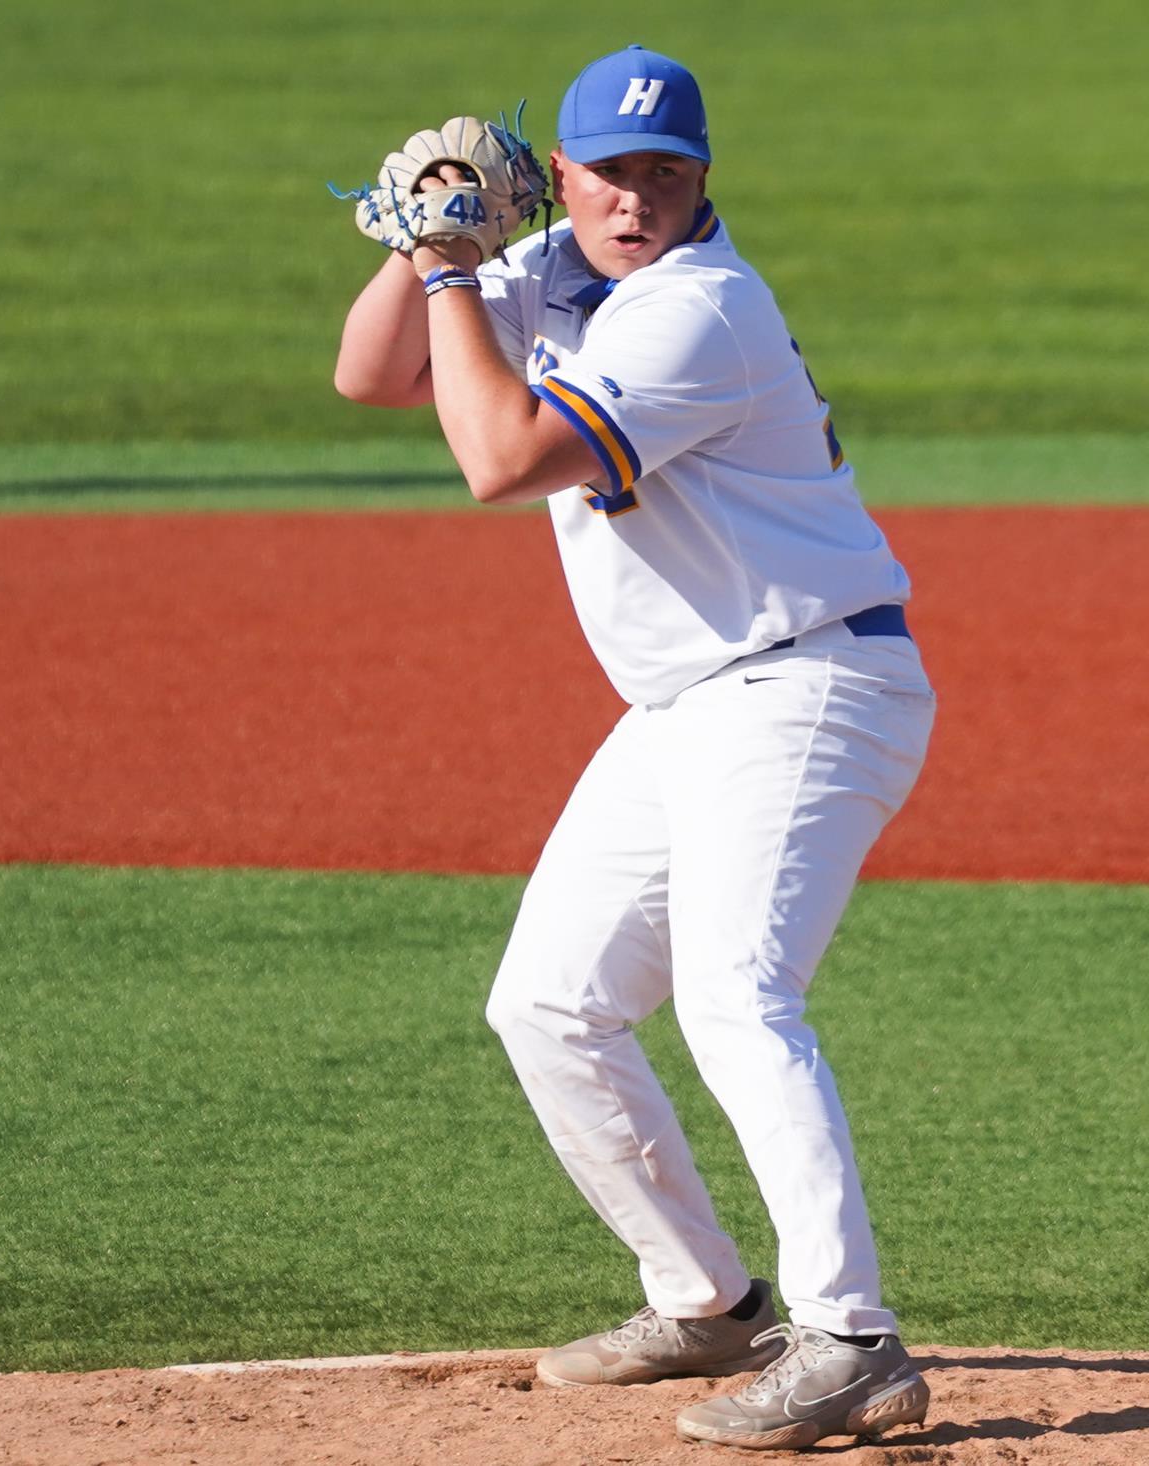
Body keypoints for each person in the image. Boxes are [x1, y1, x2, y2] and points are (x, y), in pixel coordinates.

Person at [333, 45, 935, 1451]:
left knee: (737, 996)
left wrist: (445, 267)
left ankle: (851, 1339)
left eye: (667, 172)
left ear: (702, 179)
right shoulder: (550, 259)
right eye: (613, 171)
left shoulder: (700, 312)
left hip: (811, 684)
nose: (637, 198)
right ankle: (709, 1300)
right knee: (547, 1001)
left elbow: (498, 455)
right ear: (565, 174)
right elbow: (373, 377)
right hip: (691, 704)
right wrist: (424, 236)